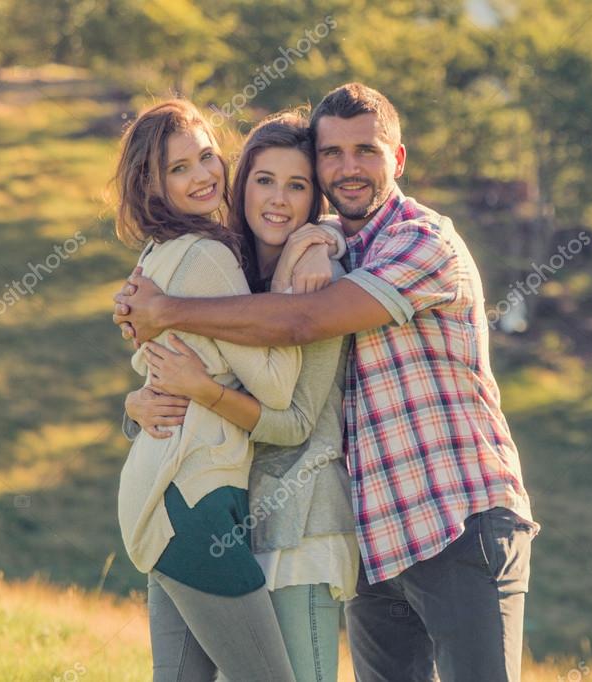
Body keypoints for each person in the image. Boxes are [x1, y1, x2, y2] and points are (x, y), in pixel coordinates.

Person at [114, 83, 538, 682]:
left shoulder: (420, 241)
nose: (348, 167)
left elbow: (302, 323)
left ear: (398, 159)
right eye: (332, 154)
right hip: (374, 539)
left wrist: (171, 310)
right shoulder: (272, 261)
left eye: (366, 150)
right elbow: (187, 363)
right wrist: (139, 400)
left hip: (456, 517)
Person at [123, 109, 358, 682]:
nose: (279, 199)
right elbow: (155, 367)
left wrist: (315, 252)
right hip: (198, 503)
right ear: (244, 182)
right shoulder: (218, 258)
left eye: (298, 185)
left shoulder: (315, 275)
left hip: (283, 522)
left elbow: (294, 416)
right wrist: (135, 407)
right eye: (264, 180)